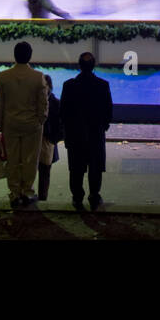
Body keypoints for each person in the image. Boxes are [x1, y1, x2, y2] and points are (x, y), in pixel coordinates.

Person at [0, 41, 49, 208]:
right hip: (32, 126)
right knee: (30, 160)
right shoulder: (38, 77)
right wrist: (41, 120)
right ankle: (27, 191)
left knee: (12, 159)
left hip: (10, 124)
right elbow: (43, 104)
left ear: (15, 55)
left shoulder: (4, 76)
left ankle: (15, 192)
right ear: (30, 56)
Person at [61, 51, 113, 212]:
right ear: (93, 66)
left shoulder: (69, 85)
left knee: (76, 169)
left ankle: (77, 197)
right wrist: (103, 126)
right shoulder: (102, 85)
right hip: (95, 134)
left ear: (79, 65)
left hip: (75, 134)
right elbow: (108, 111)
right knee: (95, 168)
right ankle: (94, 195)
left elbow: (63, 112)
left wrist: (67, 131)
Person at [37, 74, 64, 202]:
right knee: (37, 171)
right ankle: (34, 196)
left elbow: (61, 125)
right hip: (37, 140)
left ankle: (42, 197)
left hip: (47, 141)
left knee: (44, 171)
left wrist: (53, 139)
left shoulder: (56, 103)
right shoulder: (53, 102)